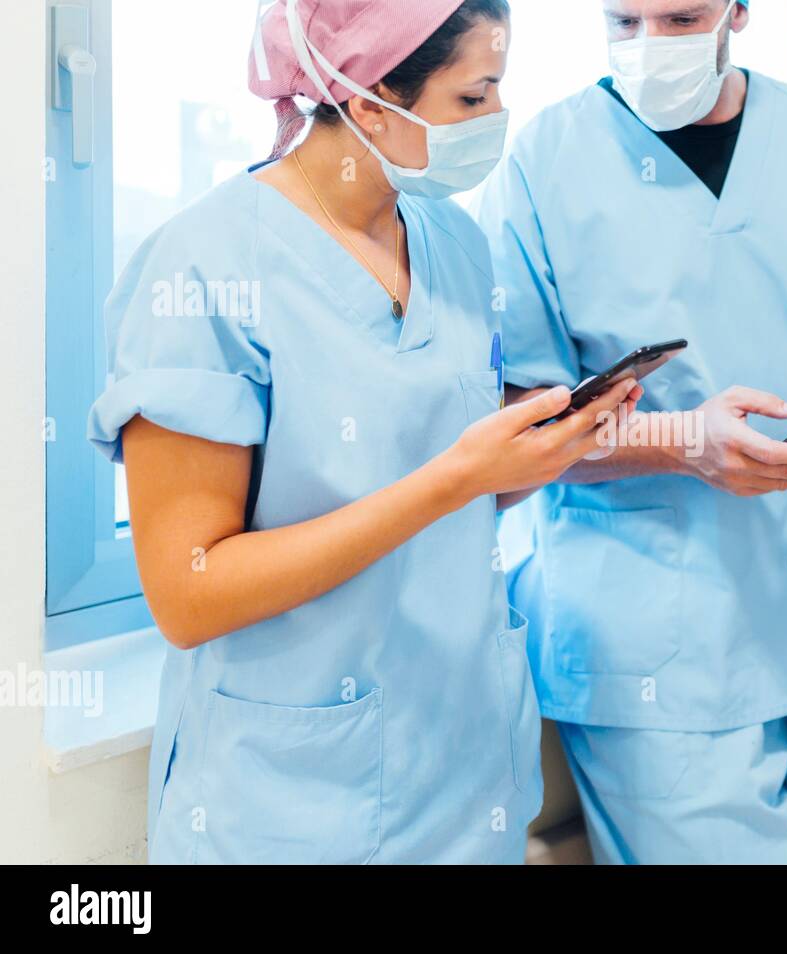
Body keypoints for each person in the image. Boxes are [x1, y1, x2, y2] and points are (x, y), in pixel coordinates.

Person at [86, 0, 638, 864]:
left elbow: (454, 487)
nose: (498, 121)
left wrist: (544, 454)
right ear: (373, 98)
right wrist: (457, 478)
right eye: (473, 98)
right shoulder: (207, 266)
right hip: (293, 802)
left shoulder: (454, 245)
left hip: (465, 773)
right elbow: (189, 594)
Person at [476, 0, 787, 863]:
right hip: (656, 651)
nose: (648, 46)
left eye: (680, 17)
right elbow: (519, 431)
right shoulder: (543, 165)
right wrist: (681, 443)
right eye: (623, 21)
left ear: (739, 10)